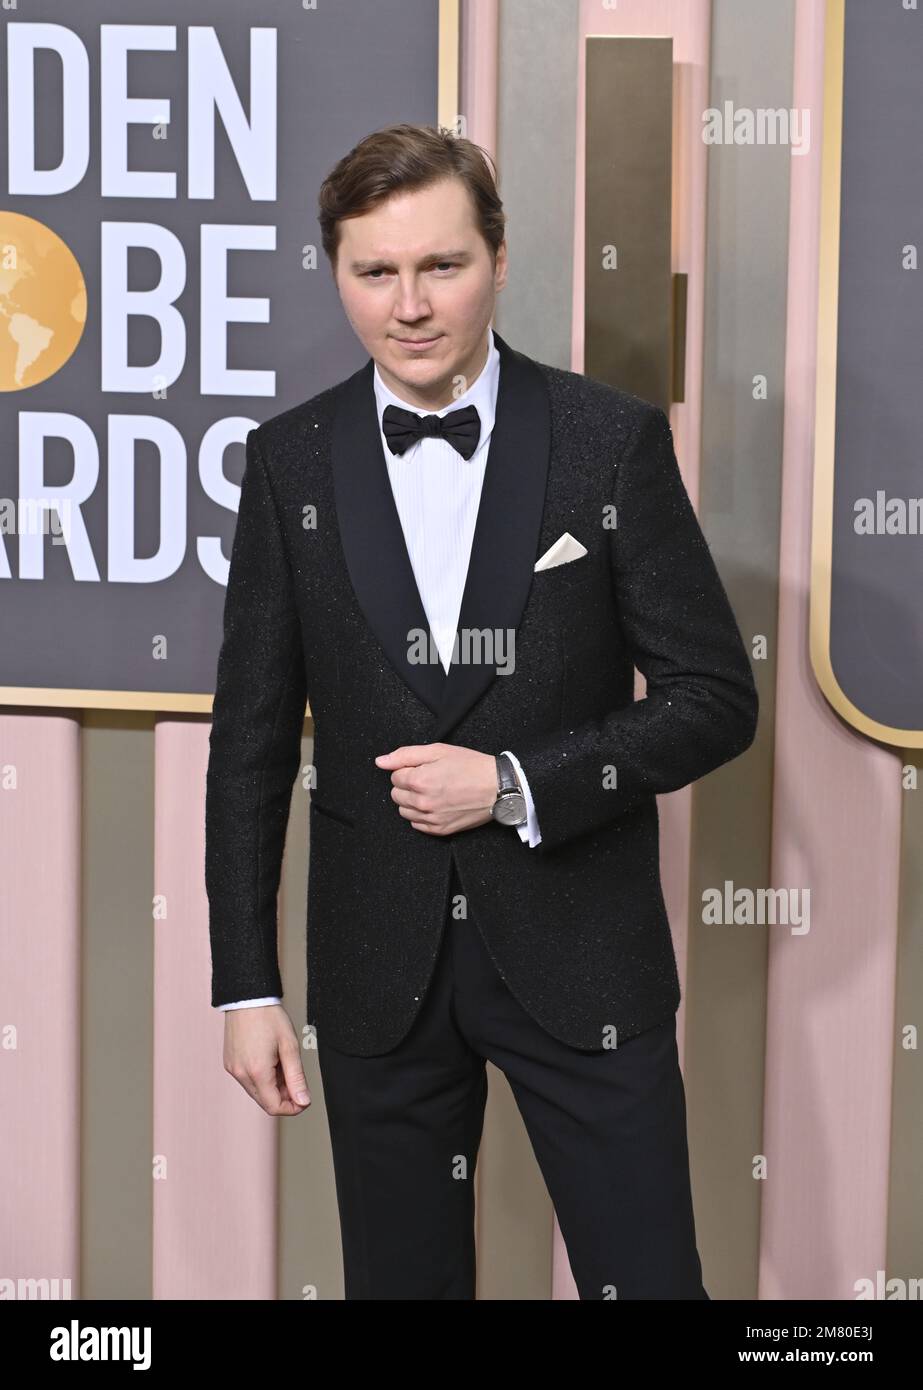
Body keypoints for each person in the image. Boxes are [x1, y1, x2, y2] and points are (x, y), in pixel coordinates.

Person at [205, 123, 758, 1300]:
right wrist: (245, 983)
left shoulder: (607, 444)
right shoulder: (286, 462)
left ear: (498, 259)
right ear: (338, 274)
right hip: (374, 968)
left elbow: (714, 699)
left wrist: (513, 783)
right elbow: (249, 744)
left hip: (583, 954)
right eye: (374, 272)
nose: (408, 306)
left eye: (440, 266)